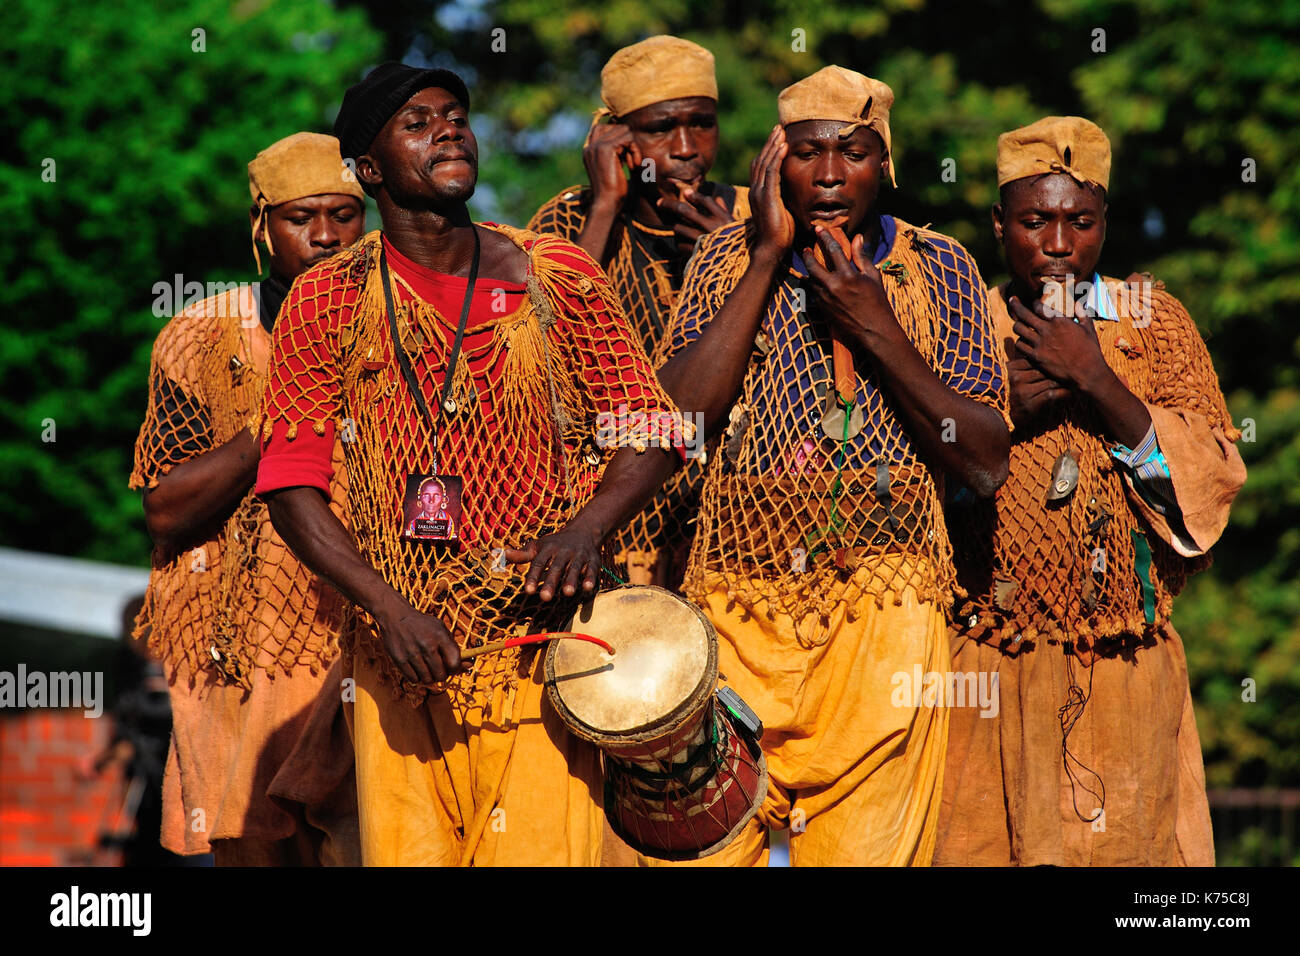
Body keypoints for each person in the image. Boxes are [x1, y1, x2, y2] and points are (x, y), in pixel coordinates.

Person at [254, 62, 688, 866]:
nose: (447, 130)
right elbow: (290, 484)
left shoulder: (558, 274)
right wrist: (388, 611)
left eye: (455, 116)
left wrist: (586, 530)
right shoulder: (327, 297)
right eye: (416, 123)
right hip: (405, 653)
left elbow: (653, 430)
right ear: (370, 168)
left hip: (544, 639)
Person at [653, 66, 1011, 866]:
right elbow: (673, 423)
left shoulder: (937, 268)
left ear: (887, 164)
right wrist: (763, 258)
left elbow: (985, 461)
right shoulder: (723, 260)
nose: (827, 174)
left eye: (852, 152)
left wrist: (875, 324)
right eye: (806, 152)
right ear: (774, 164)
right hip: (735, 611)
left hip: (886, 614)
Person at [935, 116, 1246, 866]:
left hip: (1127, 667)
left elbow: (1209, 484)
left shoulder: (1154, 322)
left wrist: (1096, 378)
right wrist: (999, 412)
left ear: (1106, 222)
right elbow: (916, 486)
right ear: (999, 223)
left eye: (1081, 221)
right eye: (1034, 220)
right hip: (985, 660)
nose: (1057, 243)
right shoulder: (957, 320)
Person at [129, 132, 366, 865]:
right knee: (253, 846)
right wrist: (274, 428)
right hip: (240, 647)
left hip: (362, 637)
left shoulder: (399, 325)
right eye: (302, 218)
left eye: (344, 214)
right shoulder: (201, 337)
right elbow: (165, 509)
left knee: (375, 841)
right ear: (262, 226)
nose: (325, 236)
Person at [529, 35, 749, 590]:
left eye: (702, 123)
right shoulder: (569, 219)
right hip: (606, 517)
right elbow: (534, 349)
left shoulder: (755, 216)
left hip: (730, 516)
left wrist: (731, 253)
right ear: (615, 139)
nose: (685, 147)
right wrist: (605, 207)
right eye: (659, 129)